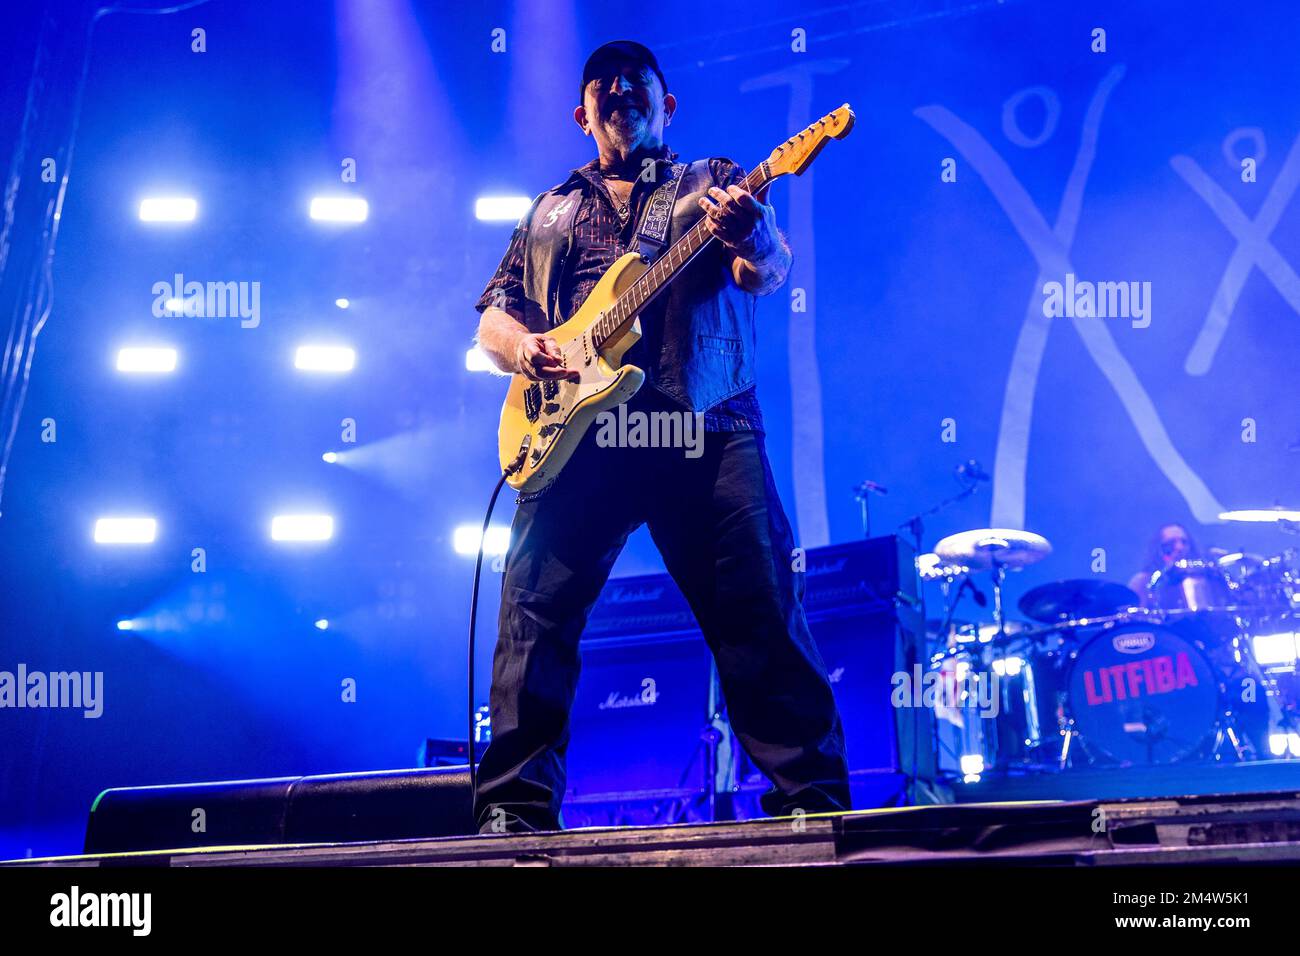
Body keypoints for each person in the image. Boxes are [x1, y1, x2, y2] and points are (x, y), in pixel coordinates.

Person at [470, 40, 851, 833]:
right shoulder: (546, 211)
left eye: (636, 81)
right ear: (583, 114)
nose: (619, 90)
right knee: (532, 617)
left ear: (664, 103)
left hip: (702, 423)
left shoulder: (713, 181)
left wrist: (751, 234)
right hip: (576, 437)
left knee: (758, 610)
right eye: (602, 84)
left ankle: (811, 805)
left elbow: (768, 274)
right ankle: (513, 811)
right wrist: (528, 349)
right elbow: (493, 318)